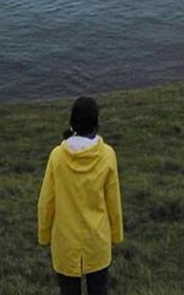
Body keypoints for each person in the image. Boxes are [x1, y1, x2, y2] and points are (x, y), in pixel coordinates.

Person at [38, 96, 123, 295]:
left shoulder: (57, 157)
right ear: (96, 122)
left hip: (65, 242)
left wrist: (44, 235)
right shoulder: (108, 155)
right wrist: (116, 235)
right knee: (99, 290)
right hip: (98, 240)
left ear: (72, 122)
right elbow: (113, 201)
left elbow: (46, 202)